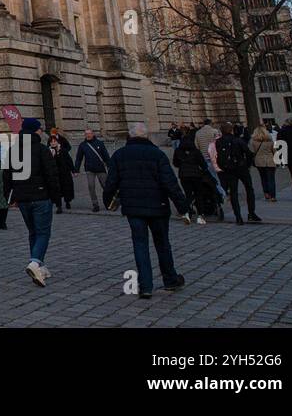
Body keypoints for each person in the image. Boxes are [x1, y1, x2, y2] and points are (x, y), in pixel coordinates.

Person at [102, 122, 190, 299]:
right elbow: (170, 183)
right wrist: (183, 208)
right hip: (158, 207)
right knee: (162, 244)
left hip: (133, 208)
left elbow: (110, 182)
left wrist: (108, 202)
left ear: (130, 135)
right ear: (147, 136)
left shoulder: (120, 155)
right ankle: (170, 279)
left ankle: (146, 286)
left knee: (140, 245)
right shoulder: (157, 154)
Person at [6, 118, 60, 286]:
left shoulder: (13, 149)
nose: (41, 132)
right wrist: (57, 198)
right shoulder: (42, 149)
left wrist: (9, 197)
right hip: (41, 197)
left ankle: (39, 268)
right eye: (40, 129)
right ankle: (35, 263)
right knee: (43, 233)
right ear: (35, 131)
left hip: (22, 199)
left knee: (33, 232)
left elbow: (7, 175)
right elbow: (51, 175)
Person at [215, 122, 261, 225]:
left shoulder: (218, 142)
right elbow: (249, 154)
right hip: (241, 169)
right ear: (231, 130)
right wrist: (247, 165)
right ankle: (251, 213)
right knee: (249, 189)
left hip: (229, 170)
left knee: (233, 193)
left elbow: (218, 157)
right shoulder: (238, 140)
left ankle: (238, 217)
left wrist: (224, 168)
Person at [172, 129, 216, 223]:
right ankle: (200, 215)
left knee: (188, 195)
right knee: (198, 194)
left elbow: (175, 163)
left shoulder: (178, 151)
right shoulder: (195, 151)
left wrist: (182, 164)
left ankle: (187, 214)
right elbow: (203, 164)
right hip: (196, 175)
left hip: (184, 175)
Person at [73, 128, 111, 212]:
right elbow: (78, 158)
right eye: (86, 134)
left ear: (93, 134)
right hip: (89, 169)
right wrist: (76, 170)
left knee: (106, 186)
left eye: (89, 133)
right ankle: (95, 204)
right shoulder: (82, 145)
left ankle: (109, 203)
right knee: (91, 187)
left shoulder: (99, 143)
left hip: (100, 168)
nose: (88, 135)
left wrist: (110, 166)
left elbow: (106, 156)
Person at [194, 119, 226, 200]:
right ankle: (223, 191)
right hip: (216, 156)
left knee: (212, 176)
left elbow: (196, 146)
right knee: (221, 175)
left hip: (205, 158)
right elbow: (222, 142)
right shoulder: (215, 131)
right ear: (211, 124)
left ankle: (218, 192)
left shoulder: (198, 133)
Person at [50, 130, 75, 213]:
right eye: (51, 142)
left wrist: (74, 170)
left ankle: (67, 202)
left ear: (57, 142)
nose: (53, 143)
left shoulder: (63, 150)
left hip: (64, 173)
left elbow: (69, 161)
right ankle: (59, 206)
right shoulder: (48, 152)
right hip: (55, 175)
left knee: (66, 188)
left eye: (54, 141)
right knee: (57, 190)